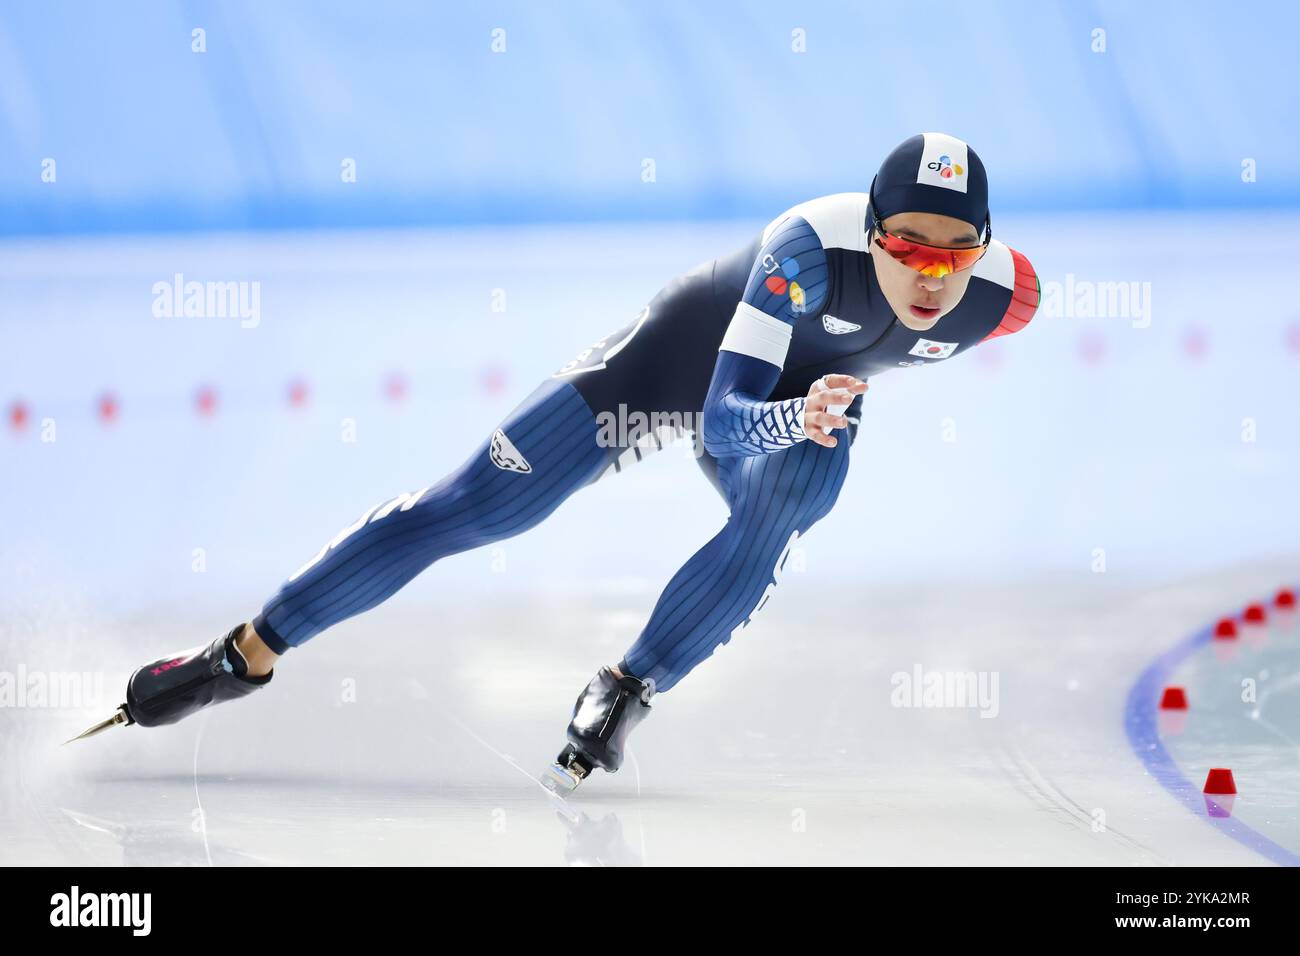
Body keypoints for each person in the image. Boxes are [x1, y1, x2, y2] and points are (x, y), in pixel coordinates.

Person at [83, 132, 1041, 791]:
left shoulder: (1008, 299)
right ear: (873, 233)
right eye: (909, 245)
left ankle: (625, 688)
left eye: (956, 255)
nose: (929, 273)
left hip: (803, 405)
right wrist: (796, 415)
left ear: (986, 252)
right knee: (481, 507)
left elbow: (793, 423)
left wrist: (807, 420)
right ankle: (240, 653)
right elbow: (721, 420)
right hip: (679, 369)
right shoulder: (805, 253)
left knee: (795, 501)